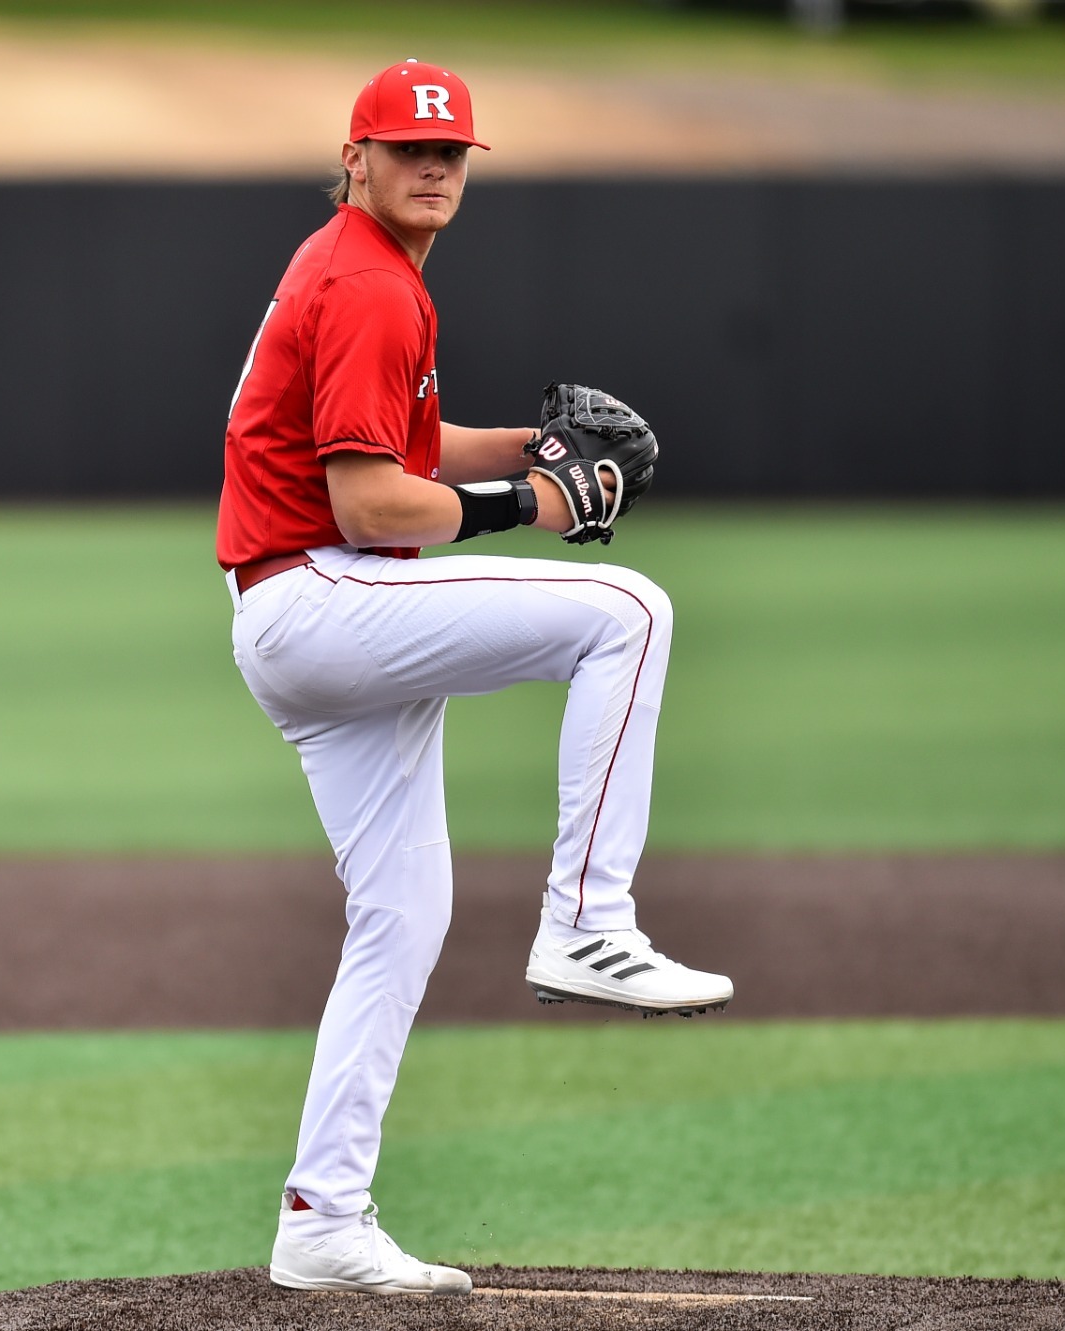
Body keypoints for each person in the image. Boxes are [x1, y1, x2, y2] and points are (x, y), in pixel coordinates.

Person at [217, 61, 732, 1296]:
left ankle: (320, 1218)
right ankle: (588, 925)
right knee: (626, 608)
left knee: (402, 918)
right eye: (406, 148)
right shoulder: (364, 284)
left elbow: (399, 448)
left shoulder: (366, 271)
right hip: (322, 590)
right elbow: (368, 498)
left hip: (310, 607)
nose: (433, 166)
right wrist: (527, 500)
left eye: (450, 151)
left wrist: (525, 449)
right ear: (355, 160)